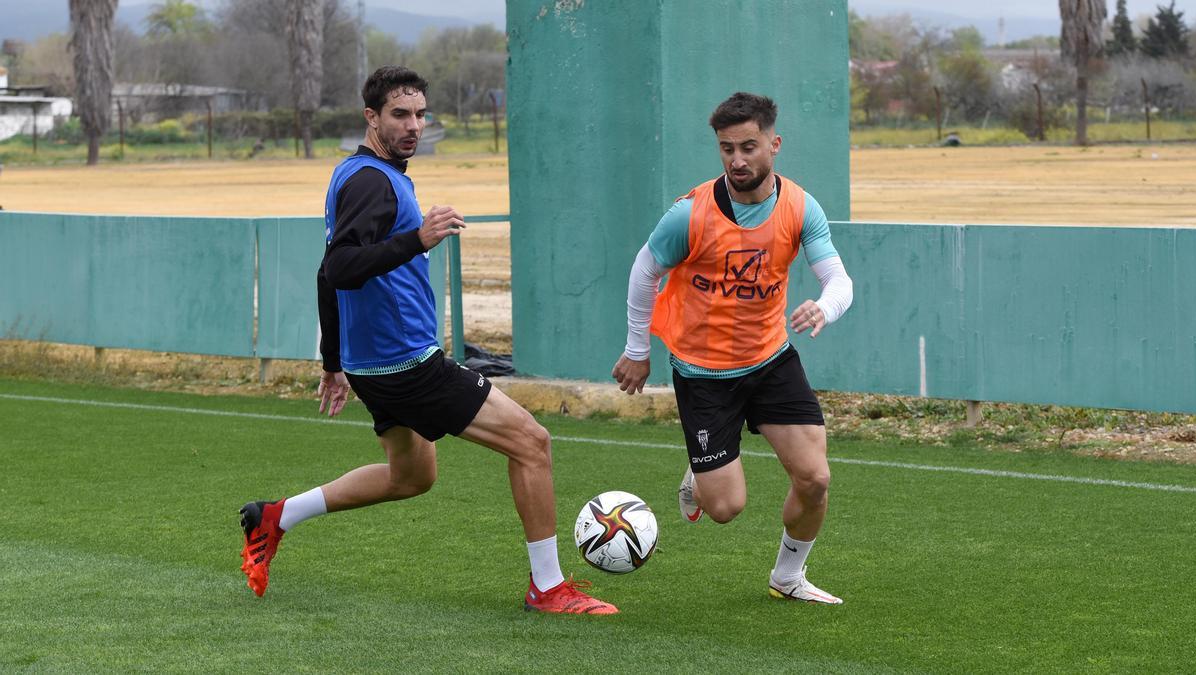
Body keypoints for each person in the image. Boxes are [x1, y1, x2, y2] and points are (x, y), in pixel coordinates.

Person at [239, 66, 617, 615]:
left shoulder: (359, 173)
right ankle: (549, 587)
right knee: (531, 443)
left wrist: (333, 362)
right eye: (400, 115)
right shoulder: (371, 181)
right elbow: (342, 267)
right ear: (371, 118)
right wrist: (418, 238)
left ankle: (276, 517)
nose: (413, 125)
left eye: (420, 114)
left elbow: (328, 270)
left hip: (373, 364)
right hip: (406, 364)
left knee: (411, 476)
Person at [611, 92, 853, 605]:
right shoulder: (690, 214)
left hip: (770, 360)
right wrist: (637, 349)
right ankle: (700, 476)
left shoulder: (800, 206)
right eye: (726, 149)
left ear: (774, 143)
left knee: (815, 479)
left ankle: (788, 576)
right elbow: (643, 271)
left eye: (748, 146)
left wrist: (825, 308)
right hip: (702, 373)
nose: (738, 160)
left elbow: (837, 278)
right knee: (724, 508)